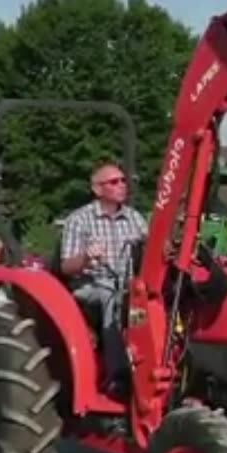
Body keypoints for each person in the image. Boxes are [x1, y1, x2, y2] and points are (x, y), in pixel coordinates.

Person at [59, 161, 148, 393]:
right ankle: (118, 376)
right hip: (90, 284)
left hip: (128, 284)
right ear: (97, 190)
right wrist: (86, 258)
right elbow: (67, 266)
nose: (122, 185)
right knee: (112, 297)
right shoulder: (79, 220)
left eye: (123, 180)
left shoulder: (135, 219)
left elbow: (150, 252)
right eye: (114, 182)